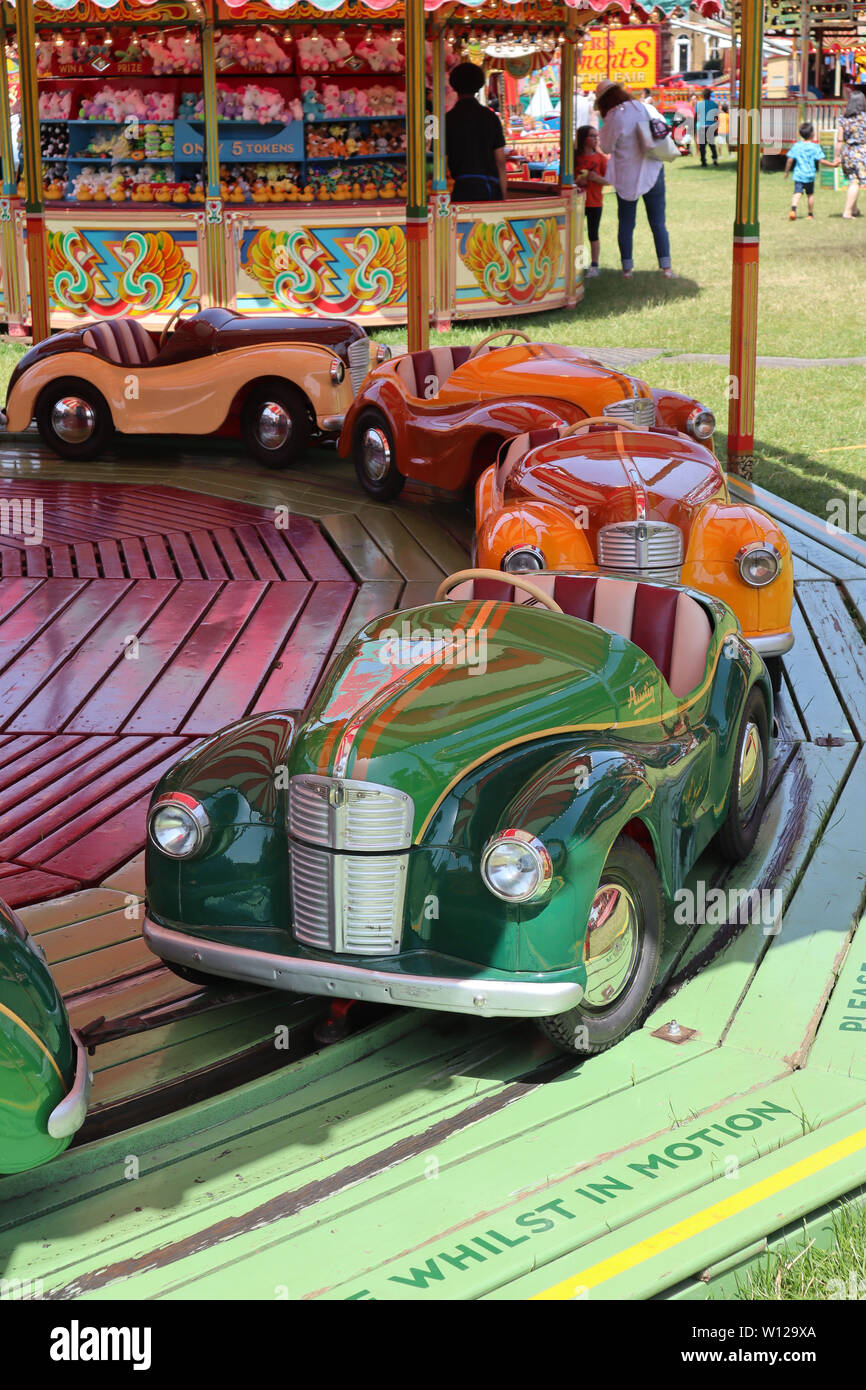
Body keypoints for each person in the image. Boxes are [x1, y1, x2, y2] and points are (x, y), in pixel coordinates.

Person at [596, 79, 673, 279]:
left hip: (627, 176)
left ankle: (627, 269)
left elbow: (605, 147)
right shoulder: (642, 107)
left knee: (626, 223)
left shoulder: (614, 117)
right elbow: (662, 128)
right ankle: (666, 268)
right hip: (653, 170)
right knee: (658, 222)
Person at [444, 61, 508, 202]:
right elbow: (500, 161)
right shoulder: (491, 117)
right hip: (490, 189)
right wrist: (503, 197)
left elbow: (441, 163)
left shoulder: (446, 120)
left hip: (461, 189)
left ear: (454, 86)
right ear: (479, 86)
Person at [575, 124, 609, 277]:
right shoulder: (575, 158)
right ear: (583, 138)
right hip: (576, 203)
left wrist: (597, 178)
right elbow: (566, 179)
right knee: (576, 234)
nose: (595, 139)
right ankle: (578, 263)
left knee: (593, 233)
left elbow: (609, 180)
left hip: (594, 202)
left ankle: (594, 265)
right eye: (592, 136)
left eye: (596, 136)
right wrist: (577, 181)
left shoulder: (601, 158)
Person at [785, 121, 836, 220]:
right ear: (812, 133)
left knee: (797, 193)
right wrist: (833, 165)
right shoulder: (815, 147)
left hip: (799, 175)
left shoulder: (797, 146)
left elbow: (790, 159)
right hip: (810, 175)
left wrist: (787, 172)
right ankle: (810, 214)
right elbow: (821, 160)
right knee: (810, 195)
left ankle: (793, 209)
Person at [835, 90, 866, 219]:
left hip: (847, 153)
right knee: (855, 183)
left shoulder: (843, 119)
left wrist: (837, 156)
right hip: (861, 152)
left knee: (853, 180)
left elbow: (840, 140)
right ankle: (847, 212)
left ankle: (854, 209)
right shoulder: (864, 118)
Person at [695, 87, 720, 165]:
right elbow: (716, 117)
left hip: (702, 126)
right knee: (712, 144)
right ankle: (715, 159)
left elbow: (696, 116)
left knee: (702, 145)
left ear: (703, 95)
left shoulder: (699, 104)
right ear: (710, 95)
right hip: (711, 126)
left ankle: (703, 161)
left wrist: (694, 126)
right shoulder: (714, 104)